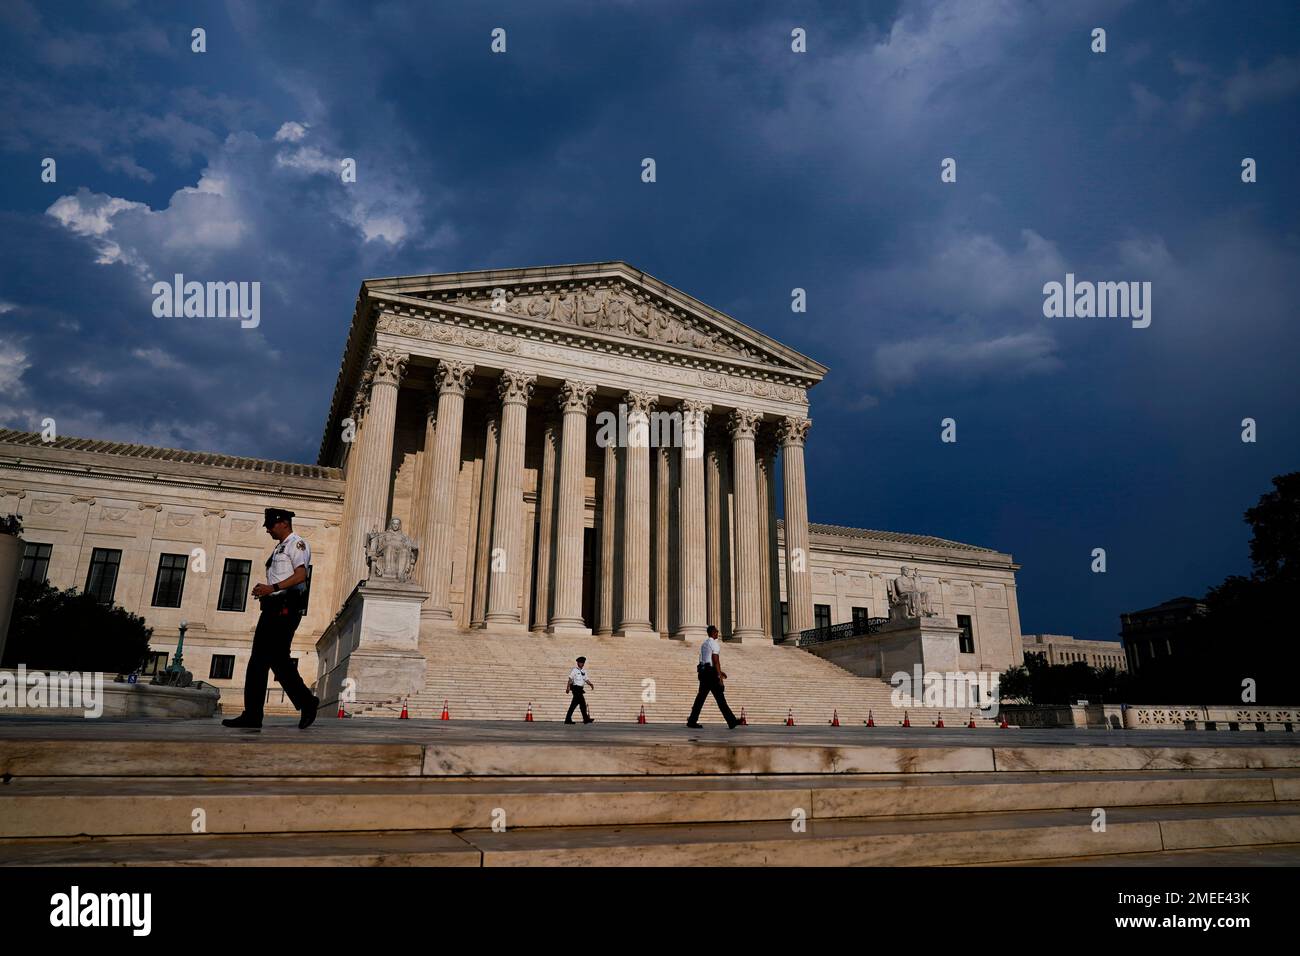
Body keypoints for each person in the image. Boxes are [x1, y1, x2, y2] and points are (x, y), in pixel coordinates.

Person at [222, 507, 320, 731]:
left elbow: (301, 575)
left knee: (267, 661)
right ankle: (258, 713)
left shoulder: (297, 544)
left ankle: (299, 704)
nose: (267, 529)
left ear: (284, 523)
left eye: (270, 525)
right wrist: (266, 590)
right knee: (268, 661)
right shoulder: (280, 548)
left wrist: (271, 588)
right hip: (274, 608)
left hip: (285, 609)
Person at [687, 624, 739, 729]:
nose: (717, 633)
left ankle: (692, 720)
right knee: (720, 698)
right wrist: (719, 677)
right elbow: (715, 660)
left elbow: (704, 659)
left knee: (700, 698)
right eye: (716, 632)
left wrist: (720, 671)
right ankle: (731, 721)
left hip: (704, 672)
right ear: (712, 633)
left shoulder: (704, 644)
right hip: (711, 674)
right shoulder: (714, 644)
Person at [565, 656, 595, 724]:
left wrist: (590, 684)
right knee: (582, 704)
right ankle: (585, 719)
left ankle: (568, 719)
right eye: (581, 662)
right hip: (576, 689)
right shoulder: (574, 670)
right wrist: (568, 688)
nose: (582, 664)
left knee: (575, 705)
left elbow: (586, 679)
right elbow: (570, 679)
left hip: (580, 689)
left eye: (583, 663)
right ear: (578, 663)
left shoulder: (584, 671)